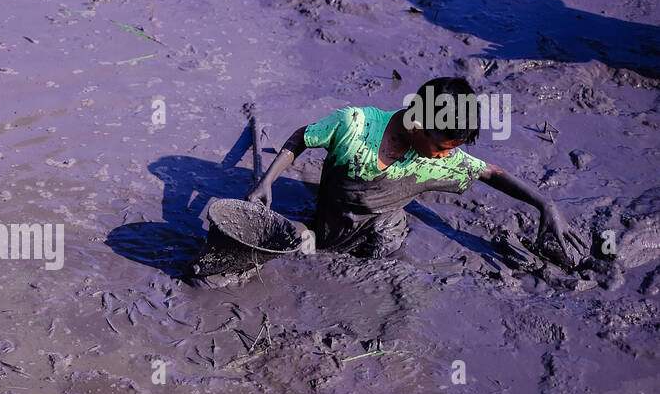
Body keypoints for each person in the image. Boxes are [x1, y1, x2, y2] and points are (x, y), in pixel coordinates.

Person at [244, 77, 585, 261]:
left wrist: (545, 203)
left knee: (387, 240)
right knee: (293, 240)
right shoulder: (354, 125)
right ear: (417, 123)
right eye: (440, 147)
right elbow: (301, 137)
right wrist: (267, 181)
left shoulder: (440, 160)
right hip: (330, 221)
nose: (442, 158)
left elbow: (490, 172)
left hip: (379, 228)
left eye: (450, 151)